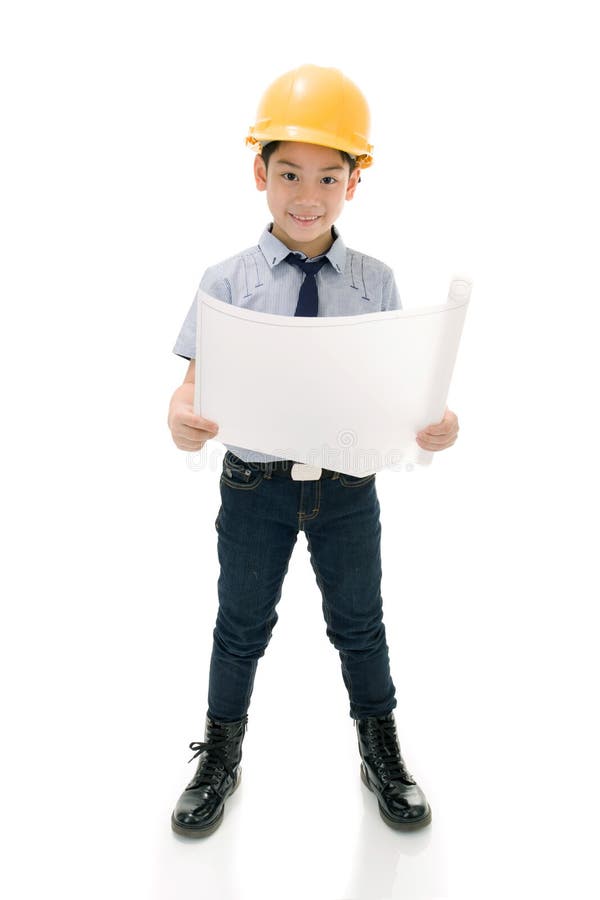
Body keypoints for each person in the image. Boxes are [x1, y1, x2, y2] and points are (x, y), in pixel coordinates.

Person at [167, 65, 459, 838]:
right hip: (252, 485)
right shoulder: (226, 282)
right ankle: (220, 752)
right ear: (259, 172)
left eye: (329, 177)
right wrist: (181, 421)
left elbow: (403, 395)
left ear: (354, 183)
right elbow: (186, 396)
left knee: (360, 622)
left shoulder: (375, 283)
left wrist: (433, 423)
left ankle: (380, 748)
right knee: (240, 624)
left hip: (346, 487)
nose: (307, 195)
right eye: (290, 172)